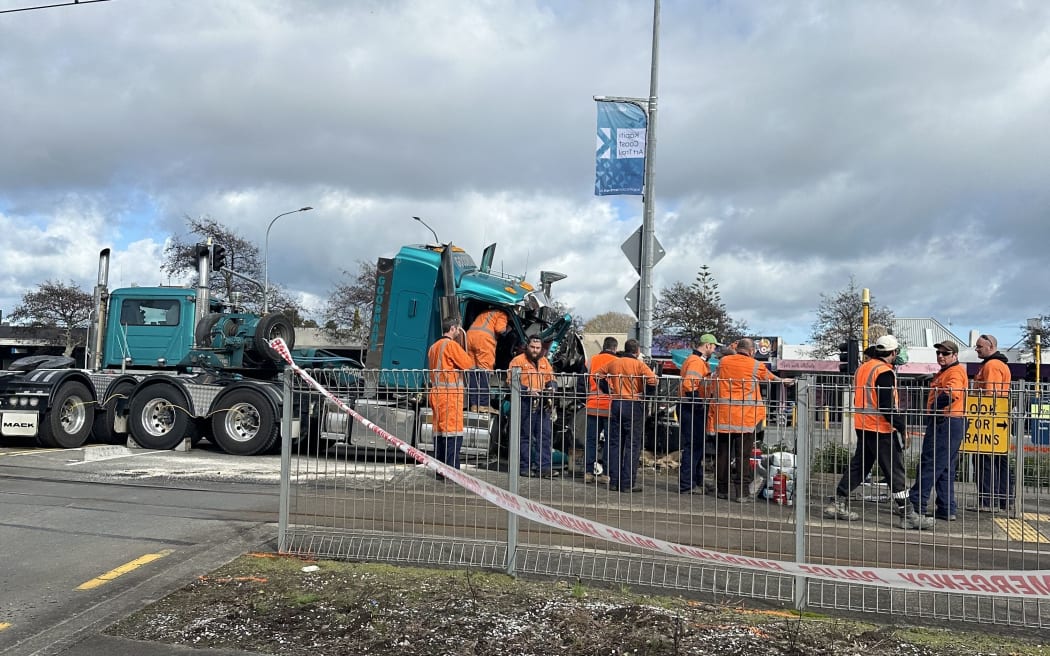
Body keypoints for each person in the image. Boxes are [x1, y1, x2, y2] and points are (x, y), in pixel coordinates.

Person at [824, 335, 931, 527]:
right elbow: (886, 406)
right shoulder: (884, 372)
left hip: (863, 425)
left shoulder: (863, 368)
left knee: (860, 466)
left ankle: (837, 503)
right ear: (893, 353)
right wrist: (902, 427)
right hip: (880, 429)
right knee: (895, 471)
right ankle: (908, 515)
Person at [707, 338, 791, 502]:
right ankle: (741, 493)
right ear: (752, 351)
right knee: (743, 456)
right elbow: (769, 377)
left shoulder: (724, 362)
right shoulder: (755, 365)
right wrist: (783, 381)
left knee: (723, 455)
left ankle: (722, 490)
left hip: (724, 416)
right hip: (745, 419)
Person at [905, 339, 969, 525]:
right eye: (938, 353)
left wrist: (934, 407)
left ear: (954, 355)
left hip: (945, 421)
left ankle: (916, 503)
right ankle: (946, 508)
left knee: (930, 463)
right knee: (945, 467)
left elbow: (952, 393)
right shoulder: (948, 371)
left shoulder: (955, 372)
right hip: (951, 421)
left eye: (945, 353)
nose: (940, 356)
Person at [594, 339, 657, 493]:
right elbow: (653, 380)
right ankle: (627, 483)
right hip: (633, 404)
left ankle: (614, 481)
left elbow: (597, 375)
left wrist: (607, 390)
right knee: (632, 444)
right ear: (637, 351)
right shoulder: (639, 365)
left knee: (615, 443)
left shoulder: (614, 363)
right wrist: (645, 395)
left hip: (616, 403)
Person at [969, 333, 1013, 513]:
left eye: (979, 346)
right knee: (1000, 461)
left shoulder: (992, 365)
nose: (976, 349)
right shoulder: (999, 364)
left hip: (988, 420)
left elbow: (990, 395)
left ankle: (987, 501)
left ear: (991, 347)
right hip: (998, 419)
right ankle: (1005, 500)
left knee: (984, 461)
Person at [427, 318, 474, 480]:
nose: (459, 332)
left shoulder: (433, 347)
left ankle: (440, 472)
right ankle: (452, 473)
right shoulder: (451, 346)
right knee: (452, 432)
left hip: (436, 393)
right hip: (450, 395)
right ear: (453, 328)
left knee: (439, 432)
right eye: (458, 329)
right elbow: (468, 363)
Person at [507, 335, 559, 478]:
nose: (535, 350)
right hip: (525, 402)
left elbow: (551, 378)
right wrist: (527, 390)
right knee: (525, 436)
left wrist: (552, 387)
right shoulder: (518, 361)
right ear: (527, 347)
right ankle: (524, 467)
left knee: (545, 435)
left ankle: (544, 468)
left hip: (542, 401)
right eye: (532, 347)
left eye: (538, 348)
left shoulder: (544, 361)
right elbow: (510, 381)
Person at [678, 333, 719, 494]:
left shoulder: (697, 361)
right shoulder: (696, 362)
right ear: (707, 345)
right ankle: (688, 484)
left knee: (697, 446)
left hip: (690, 407)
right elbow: (689, 385)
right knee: (693, 446)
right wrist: (699, 404)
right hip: (691, 408)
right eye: (714, 347)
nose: (714, 350)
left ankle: (696, 481)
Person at [582, 336, 618, 484]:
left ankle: (588, 472)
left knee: (591, 440)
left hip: (593, 406)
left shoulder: (591, 361)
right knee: (610, 442)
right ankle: (606, 474)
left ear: (603, 346)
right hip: (610, 407)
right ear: (615, 348)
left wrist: (583, 400)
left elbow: (581, 382)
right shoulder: (617, 361)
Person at [466, 308, 510, 413]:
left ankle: (474, 404)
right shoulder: (502, 314)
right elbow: (500, 329)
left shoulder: (485, 312)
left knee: (473, 372)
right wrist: (508, 329)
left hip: (469, 337)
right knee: (484, 371)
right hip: (483, 340)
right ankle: (484, 404)